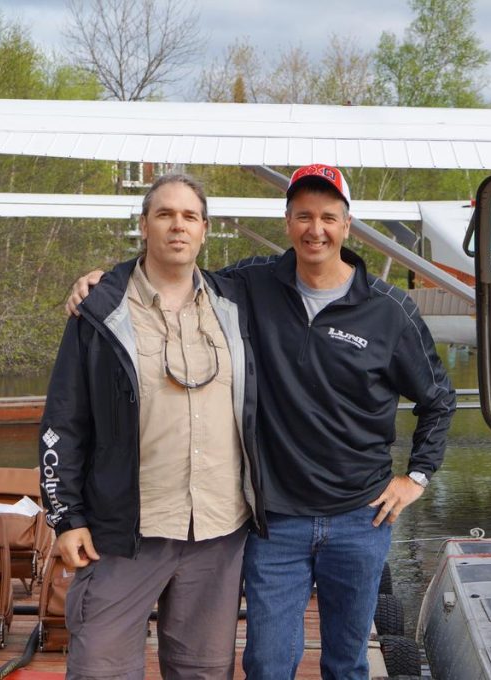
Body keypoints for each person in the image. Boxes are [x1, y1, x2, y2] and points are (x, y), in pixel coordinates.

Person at [68, 164, 456, 680]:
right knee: (268, 663)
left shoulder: (389, 310)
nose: (315, 229)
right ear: (287, 222)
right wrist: (105, 281)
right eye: (303, 216)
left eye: (328, 217)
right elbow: (174, 270)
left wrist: (417, 477)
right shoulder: (249, 285)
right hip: (276, 521)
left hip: (360, 518)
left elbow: (439, 399)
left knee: (347, 662)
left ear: (347, 225)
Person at [41, 174, 264, 680]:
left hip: (218, 530)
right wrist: (65, 517)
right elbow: (63, 422)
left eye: (189, 216)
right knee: (99, 669)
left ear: (205, 229)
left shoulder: (237, 303)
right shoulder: (100, 308)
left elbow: (311, 263)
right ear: (144, 226)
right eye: (164, 215)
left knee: (202, 672)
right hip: (123, 532)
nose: (177, 226)